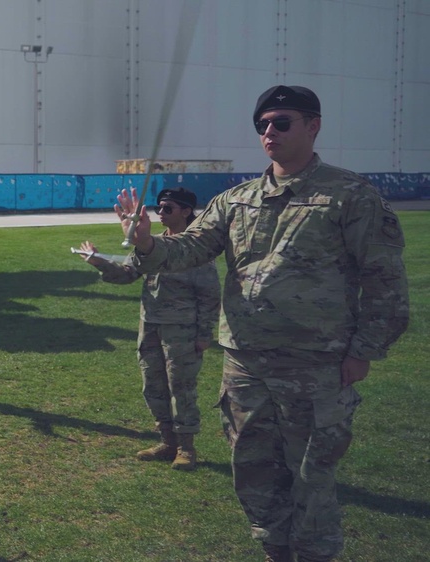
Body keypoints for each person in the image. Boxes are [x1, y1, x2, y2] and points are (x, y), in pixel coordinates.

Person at [114, 86, 409, 562]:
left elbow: (385, 281)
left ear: (313, 125)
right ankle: (275, 550)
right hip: (246, 364)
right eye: (261, 125)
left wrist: (363, 351)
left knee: (311, 475)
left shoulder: (349, 195)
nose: (269, 132)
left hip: (316, 364)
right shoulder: (237, 200)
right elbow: (189, 250)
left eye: (282, 122)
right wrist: (148, 243)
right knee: (252, 469)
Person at [79, 187, 219, 471]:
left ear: (186, 211)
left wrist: (205, 334)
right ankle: (167, 442)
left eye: (168, 208)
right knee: (153, 387)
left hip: (182, 330)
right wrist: (98, 262)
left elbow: (209, 294)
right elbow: (128, 274)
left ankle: (186, 448)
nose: (161, 213)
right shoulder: (150, 244)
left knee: (182, 388)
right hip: (151, 325)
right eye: (159, 208)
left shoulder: (195, 249)